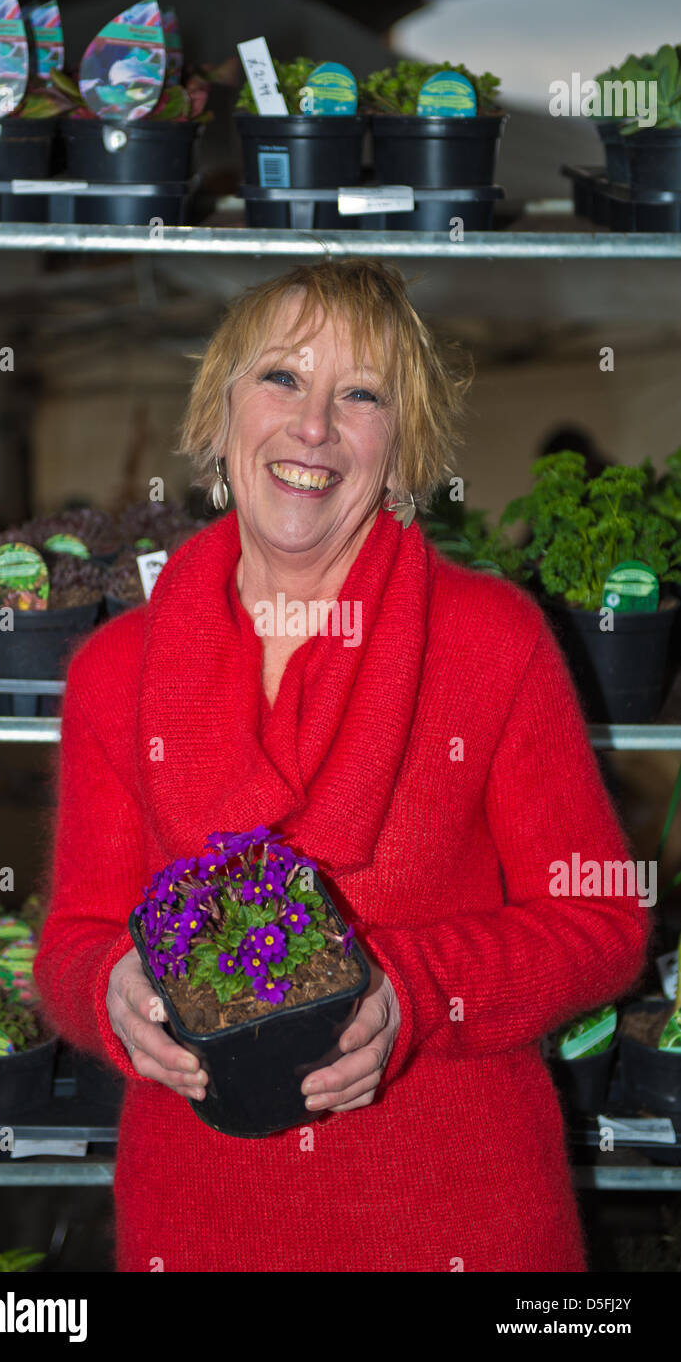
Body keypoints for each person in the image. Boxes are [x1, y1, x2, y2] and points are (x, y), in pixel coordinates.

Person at [34, 257, 650, 1272]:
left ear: (399, 451)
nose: (313, 425)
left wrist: (411, 990)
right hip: (202, 1224)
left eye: (359, 394)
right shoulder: (114, 672)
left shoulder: (492, 641)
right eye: (282, 378)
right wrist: (107, 989)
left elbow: (600, 921)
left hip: (457, 1220)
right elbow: (76, 933)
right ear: (219, 412)